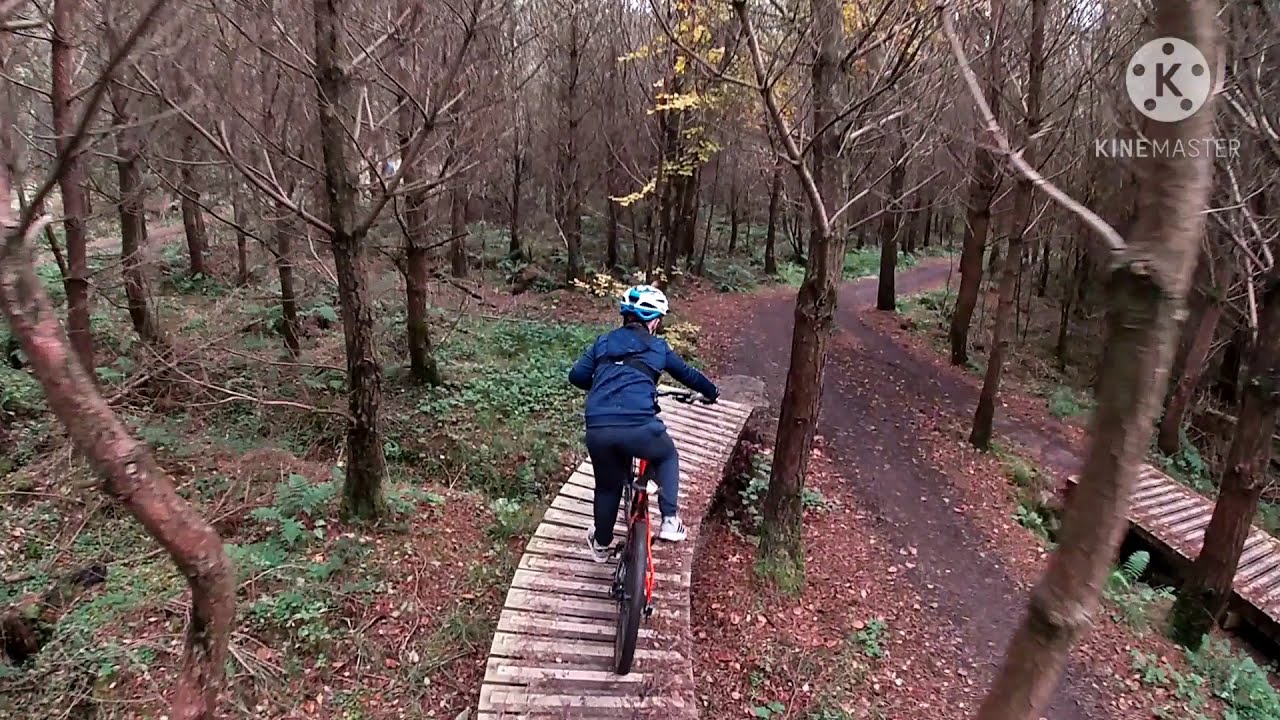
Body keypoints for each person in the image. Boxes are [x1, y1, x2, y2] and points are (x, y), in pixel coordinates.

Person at [568, 284, 719, 562]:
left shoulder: (603, 342)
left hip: (598, 427)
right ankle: (671, 521)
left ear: (625, 317)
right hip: (639, 426)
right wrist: (712, 393)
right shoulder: (658, 347)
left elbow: (577, 376)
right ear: (654, 321)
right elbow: (688, 375)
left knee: (607, 486)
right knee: (667, 454)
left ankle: (601, 545)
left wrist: (604, 384)